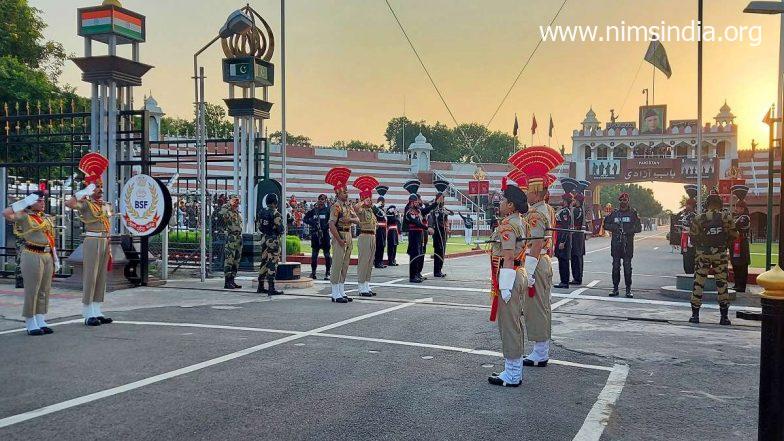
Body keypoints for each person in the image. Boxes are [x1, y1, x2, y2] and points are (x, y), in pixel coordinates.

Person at [507, 147, 563, 368]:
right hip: (542, 261)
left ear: (537, 190)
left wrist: (528, 272)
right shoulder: (546, 209)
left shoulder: (536, 214)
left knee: (536, 307)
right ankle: (541, 349)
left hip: (536, 261)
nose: (526, 194)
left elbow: (537, 243)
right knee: (542, 305)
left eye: (529, 190)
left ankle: (540, 352)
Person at [487, 175, 529, 387]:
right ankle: (514, 370)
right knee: (515, 323)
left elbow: (508, 255)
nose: (500, 203)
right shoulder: (520, 222)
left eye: (503, 200)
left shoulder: (507, 227)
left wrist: (503, 286)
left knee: (509, 325)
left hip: (508, 276)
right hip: (516, 273)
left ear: (511, 205)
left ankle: (512, 374)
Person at [66, 153, 114, 326]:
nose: (100, 190)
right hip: (92, 241)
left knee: (101, 277)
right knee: (91, 276)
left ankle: (97, 310)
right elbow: (70, 204)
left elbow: (108, 218)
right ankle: (87, 313)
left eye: (101, 187)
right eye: (96, 187)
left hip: (104, 241)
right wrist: (85, 192)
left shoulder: (106, 205)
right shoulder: (86, 204)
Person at [5, 189, 57, 335]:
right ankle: (30, 321)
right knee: (32, 289)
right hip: (32, 253)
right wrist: (24, 202)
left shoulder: (46, 218)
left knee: (44, 290)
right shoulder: (24, 216)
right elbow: (6, 213)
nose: (42, 203)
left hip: (46, 254)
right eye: (39, 200)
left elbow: (51, 238)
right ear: (31, 202)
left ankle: (40, 318)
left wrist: (55, 257)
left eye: (43, 200)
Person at [689, 192, 738, 325]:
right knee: (722, 283)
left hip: (702, 254)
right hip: (720, 254)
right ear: (720, 204)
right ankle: (724, 317)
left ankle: (695, 315)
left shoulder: (699, 218)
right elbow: (734, 234)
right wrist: (724, 243)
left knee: (699, 282)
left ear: (707, 204)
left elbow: (692, 237)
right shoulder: (726, 217)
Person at [326, 167, 359, 303]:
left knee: (345, 264)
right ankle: (334, 293)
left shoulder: (348, 206)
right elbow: (331, 224)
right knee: (337, 264)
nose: (347, 194)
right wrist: (338, 239)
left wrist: (349, 220)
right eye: (344, 192)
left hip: (348, 235)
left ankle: (341, 290)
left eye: (347, 191)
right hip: (340, 234)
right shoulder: (336, 207)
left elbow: (357, 220)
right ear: (338, 193)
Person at [604, 192, 642, 298]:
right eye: (621, 200)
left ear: (628, 201)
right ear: (619, 201)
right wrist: (614, 228)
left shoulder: (633, 213)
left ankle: (628, 289)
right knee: (615, 267)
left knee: (627, 267)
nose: (623, 202)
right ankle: (615, 288)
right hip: (616, 244)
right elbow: (605, 225)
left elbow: (638, 228)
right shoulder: (614, 213)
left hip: (627, 244)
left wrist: (628, 231)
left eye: (625, 200)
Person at [403, 180, 434, 283]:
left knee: (419, 254)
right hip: (414, 234)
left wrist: (436, 203)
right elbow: (416, 222)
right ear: (411, 202)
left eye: (417, 201)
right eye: (415, 202)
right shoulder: (410, 212)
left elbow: (427, 210)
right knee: (414, 254)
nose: (417, 203)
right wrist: (427, 228)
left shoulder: (418, 210)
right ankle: (412, 276)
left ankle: (417, 274)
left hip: (419, 234)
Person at [354, 176, 379, 297]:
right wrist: (363, 201)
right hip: (364, 236)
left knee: (369, 262)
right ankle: (361, 287)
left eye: (371, 197)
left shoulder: (371, 211)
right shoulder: (362, 209)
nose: (371, 200)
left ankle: (366, 285)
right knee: (363, 262)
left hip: (372, 237)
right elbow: (355, 208)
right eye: (369, 198)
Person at [257, 193, 284, 295]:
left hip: (264, 238)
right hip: (273, 239)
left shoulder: (262, 212)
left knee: (263, 262)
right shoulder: (275, 213)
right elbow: (280, 228)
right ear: (275, 202)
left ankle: (260, 287)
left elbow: (259, 226)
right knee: (272, 262)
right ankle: (271, 288)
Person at [217, 195, 243, 290]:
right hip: (231, 237)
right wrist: (229, 204)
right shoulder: (226, 210)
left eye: (237, 200)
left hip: (238, 238)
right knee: (229, 260)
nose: (237, 202)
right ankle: (227, 282)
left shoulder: (236, 212)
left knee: (236, 260)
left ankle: (232, 280)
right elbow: (220, 213)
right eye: (235, 200)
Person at [303, 194, 331, 280]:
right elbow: (305, 219)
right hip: (315, 235)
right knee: (314, 255)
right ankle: (313, 273)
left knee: (327, 255)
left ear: (325, 200)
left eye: (323, 199)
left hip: (325, 234)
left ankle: (327, 273)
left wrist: (326, 226)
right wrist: (312, 223)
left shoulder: (328, 211)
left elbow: (332, 221)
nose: (321, 201)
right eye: (319, 199)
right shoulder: (314, 210)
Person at [553, 181, 575, 289]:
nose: (562, 202)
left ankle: (564, 282)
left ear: (566, 201)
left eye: (563, 200)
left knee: (564, 261)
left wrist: (562, 241)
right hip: (560, 235)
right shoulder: (564, 210)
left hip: (563, 237)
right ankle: (563, 281)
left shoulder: (565, 212)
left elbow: (565, 228)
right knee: (561, 260)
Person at [429, 181, 451, 278]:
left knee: (442, 252)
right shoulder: (434, 209)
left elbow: (449, 216)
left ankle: (439, 270)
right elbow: (431, 218)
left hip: (443, 233)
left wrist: (447, 227)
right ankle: (436, 271)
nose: (443, 200)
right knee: (438, 251)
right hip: (437, 233)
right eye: (441, 198)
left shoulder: (443, 209)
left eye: (443, 198)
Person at [730, 188, 751, 293]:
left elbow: (736, 225)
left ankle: (741, 286)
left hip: (741, 243)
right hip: (735, 243)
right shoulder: (737, 216)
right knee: (735, 264)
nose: (736, 209)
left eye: (737, 207)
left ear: (742, 208)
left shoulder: (745, 217)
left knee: (742, 265)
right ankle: (736, 284)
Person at [570, 183, 587, 285]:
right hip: (580, 235)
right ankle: (578, 277)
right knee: (579, 257)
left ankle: (577, 278)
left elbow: (571, 222)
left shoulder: (576, 210)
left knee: (575, 257)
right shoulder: (582, 209)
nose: (573, 202)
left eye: (574, 200)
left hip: (576, 235)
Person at [678, 198, 698, 274]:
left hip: (692, 243)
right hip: (685, 242)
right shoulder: (685, 215)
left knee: (690, 264)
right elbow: (676, 218)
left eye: (687, 205)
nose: (686, 206)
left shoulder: (694, 215)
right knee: (686, 264)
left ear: (691, 205)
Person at [373, 188, 388, 269]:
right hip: (379, 230)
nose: (384, 204)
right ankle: (377, 262)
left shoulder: (382, 210)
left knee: (382, 246)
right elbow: (373, 209)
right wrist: (377, 204)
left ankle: (380, 261)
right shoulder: (376, 208)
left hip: (383, 230)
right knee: (379, 246)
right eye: (382, 202)